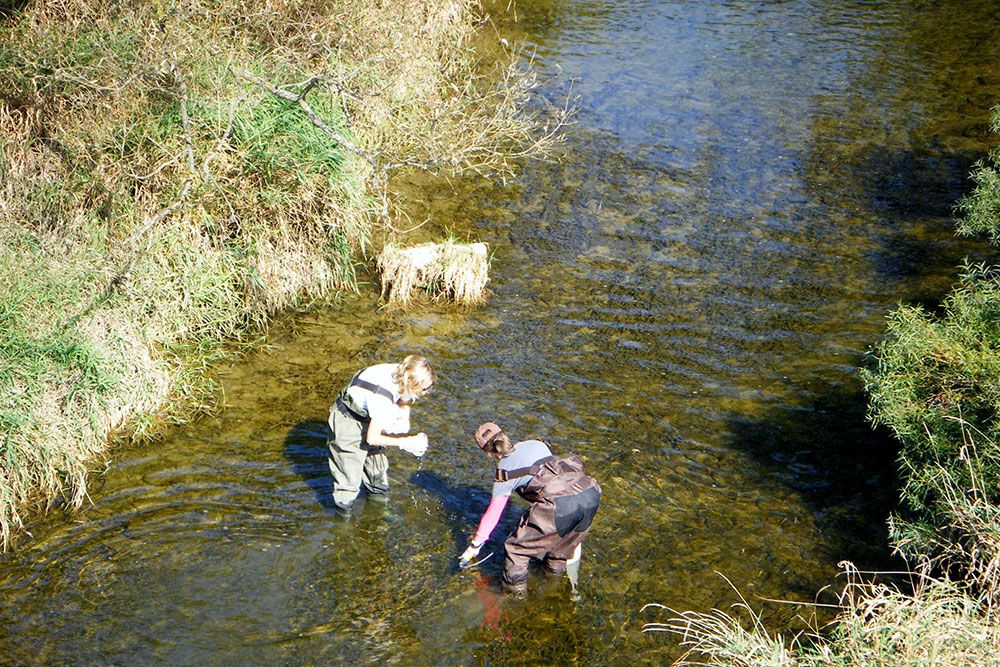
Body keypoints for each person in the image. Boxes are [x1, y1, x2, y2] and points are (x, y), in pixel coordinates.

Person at [460, 422, 601, 594]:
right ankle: (555, 590)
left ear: (488, 453)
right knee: (559, 549)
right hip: (590, 492)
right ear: (505, 435)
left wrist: (475, 545)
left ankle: (516, 598)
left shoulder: (504, 473)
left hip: (560, 504)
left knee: (516, 550)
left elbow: (494, 513)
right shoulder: (536, 443)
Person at [327, 355, 435, 516]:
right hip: (348, 421)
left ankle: (380, 511)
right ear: (410, 382)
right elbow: (372, 438)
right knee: (349, 479)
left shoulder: (404, 371)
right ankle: (343, 521)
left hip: (370, 415)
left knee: (377, 471)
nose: (426, 392)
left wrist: (404, 418)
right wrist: (405, 442)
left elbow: (404, 401)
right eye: (424, 389)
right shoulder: (381, 398)